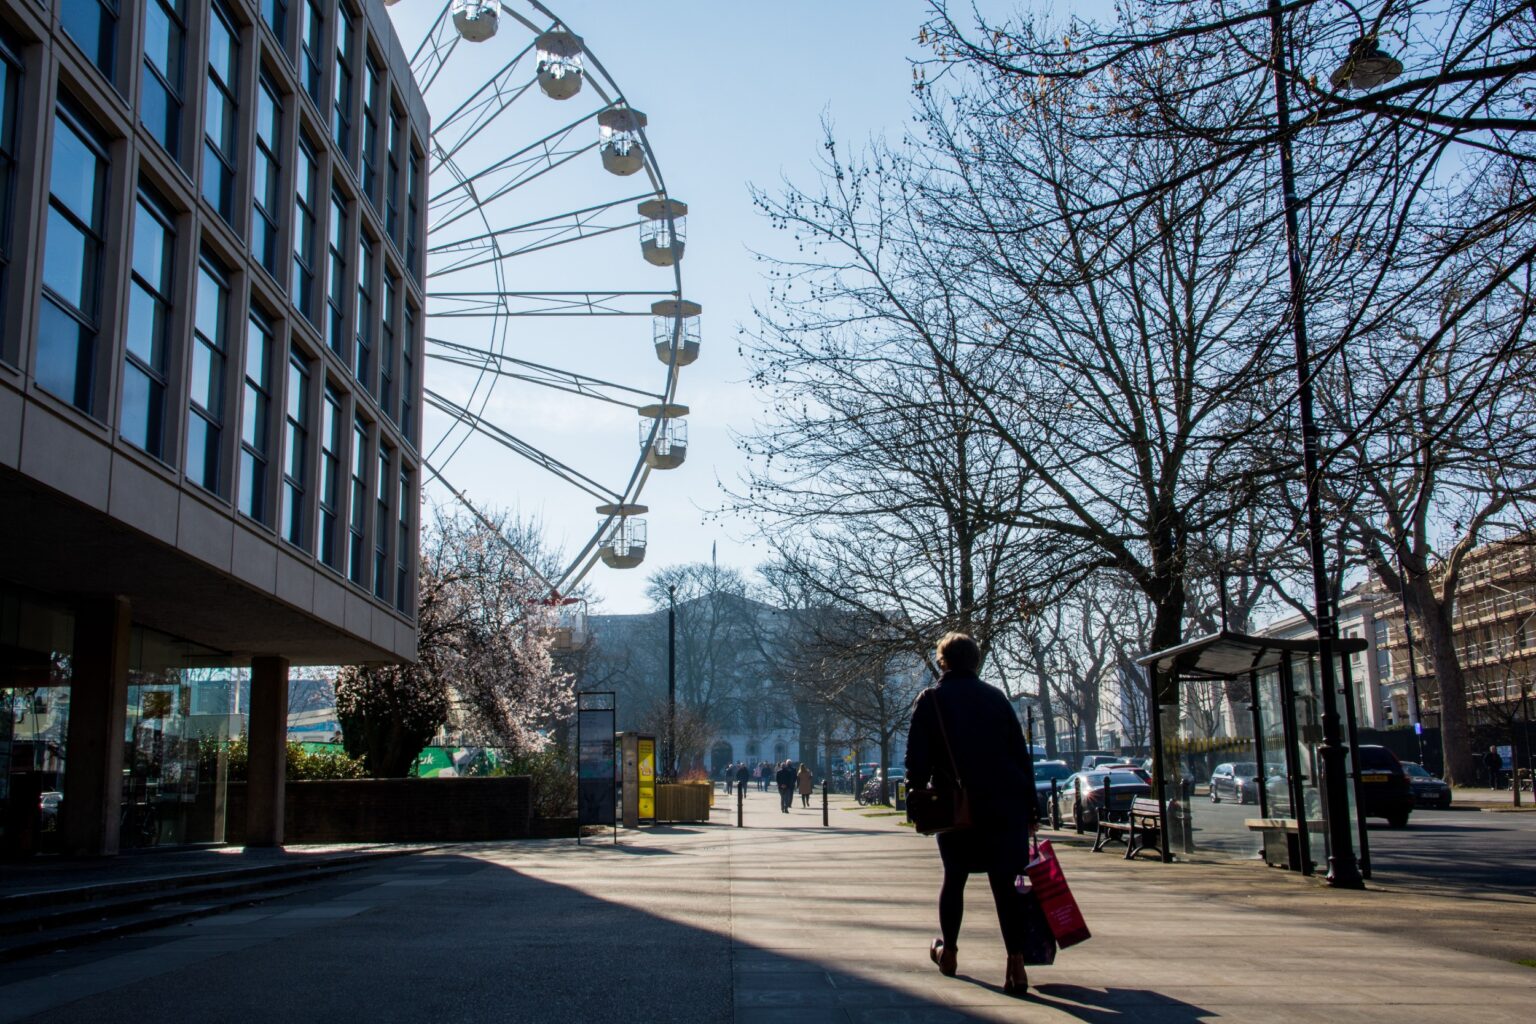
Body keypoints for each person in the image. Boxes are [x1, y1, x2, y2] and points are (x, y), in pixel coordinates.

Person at [906, 631, 1039, 996]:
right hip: (1005, 804)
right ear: (976, 661)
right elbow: (1019, 756)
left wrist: (917, 796)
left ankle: (948, 952)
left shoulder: (931, 700)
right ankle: (1016, 965)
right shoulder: (996, 698)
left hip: (957, 805)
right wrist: (1031, 806)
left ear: (943, 660)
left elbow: (916, 759)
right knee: (1006, 886)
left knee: (955, 878)